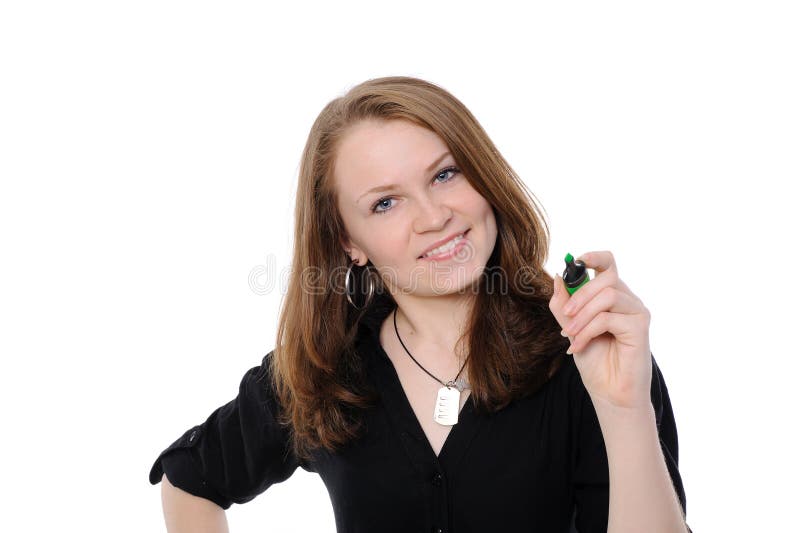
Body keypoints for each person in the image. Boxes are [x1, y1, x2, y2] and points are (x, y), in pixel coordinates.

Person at [149, 76, 691, 532]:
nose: (433, 216)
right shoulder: (323, 372)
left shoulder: (588, 353)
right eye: (385, 203)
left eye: (445, 174)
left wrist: (624, 410)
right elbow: (189, 480)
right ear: (348, 242)